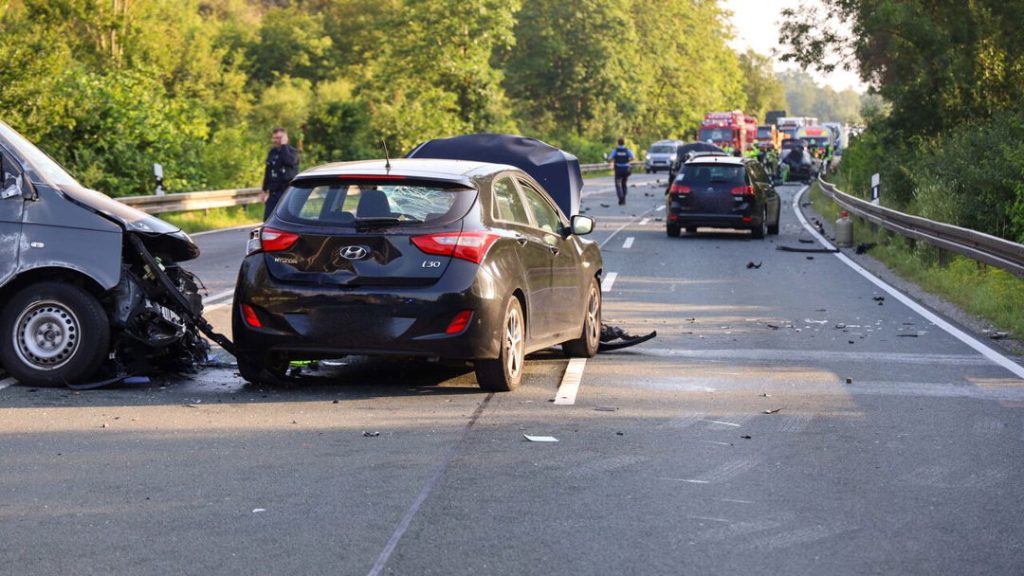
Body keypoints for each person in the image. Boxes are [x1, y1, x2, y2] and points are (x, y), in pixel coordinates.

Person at [260, 127, 300, 220]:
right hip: (274, 192)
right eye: (275, 138)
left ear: (285, 138)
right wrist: (264, 190)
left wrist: (284, 146)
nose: (276, 141)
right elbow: (268, 171)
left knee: (285, 219)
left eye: (279, 138)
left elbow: (288, 161)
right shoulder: (272, 152)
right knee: (268, 219)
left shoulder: (292, 152)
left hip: (287, 192)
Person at [607, 138, 634, 205]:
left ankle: (621, 197)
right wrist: (628, 160)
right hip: (626, 169)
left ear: (618, 143)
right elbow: (633, 157)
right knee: (624, 184)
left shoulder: (616, 150)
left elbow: (610, 157)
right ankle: (623, 198)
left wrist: (613, 159)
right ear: (624, 143)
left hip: (618, 169)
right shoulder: (627, 150)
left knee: (618, 184)